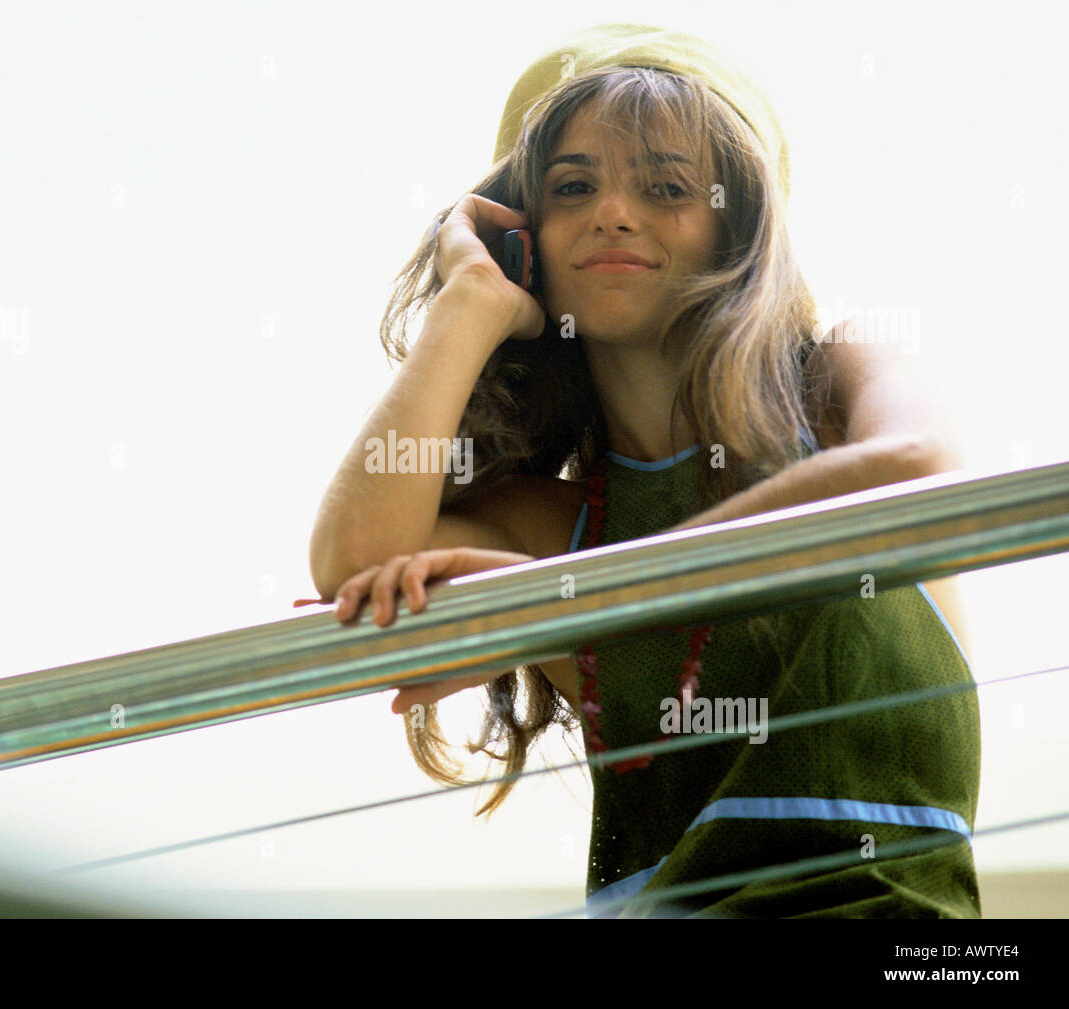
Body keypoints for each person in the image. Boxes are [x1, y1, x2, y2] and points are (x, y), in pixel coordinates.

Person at [307, 23, 980, 918]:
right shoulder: (564, 531)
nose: (612, 212)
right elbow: (355, 560)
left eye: (666, 185)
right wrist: (467, 302)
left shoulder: (837, 378)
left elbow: (913, 469)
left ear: (738, 228)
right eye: (572, 186)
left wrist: (585, 600)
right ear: (524, 238)